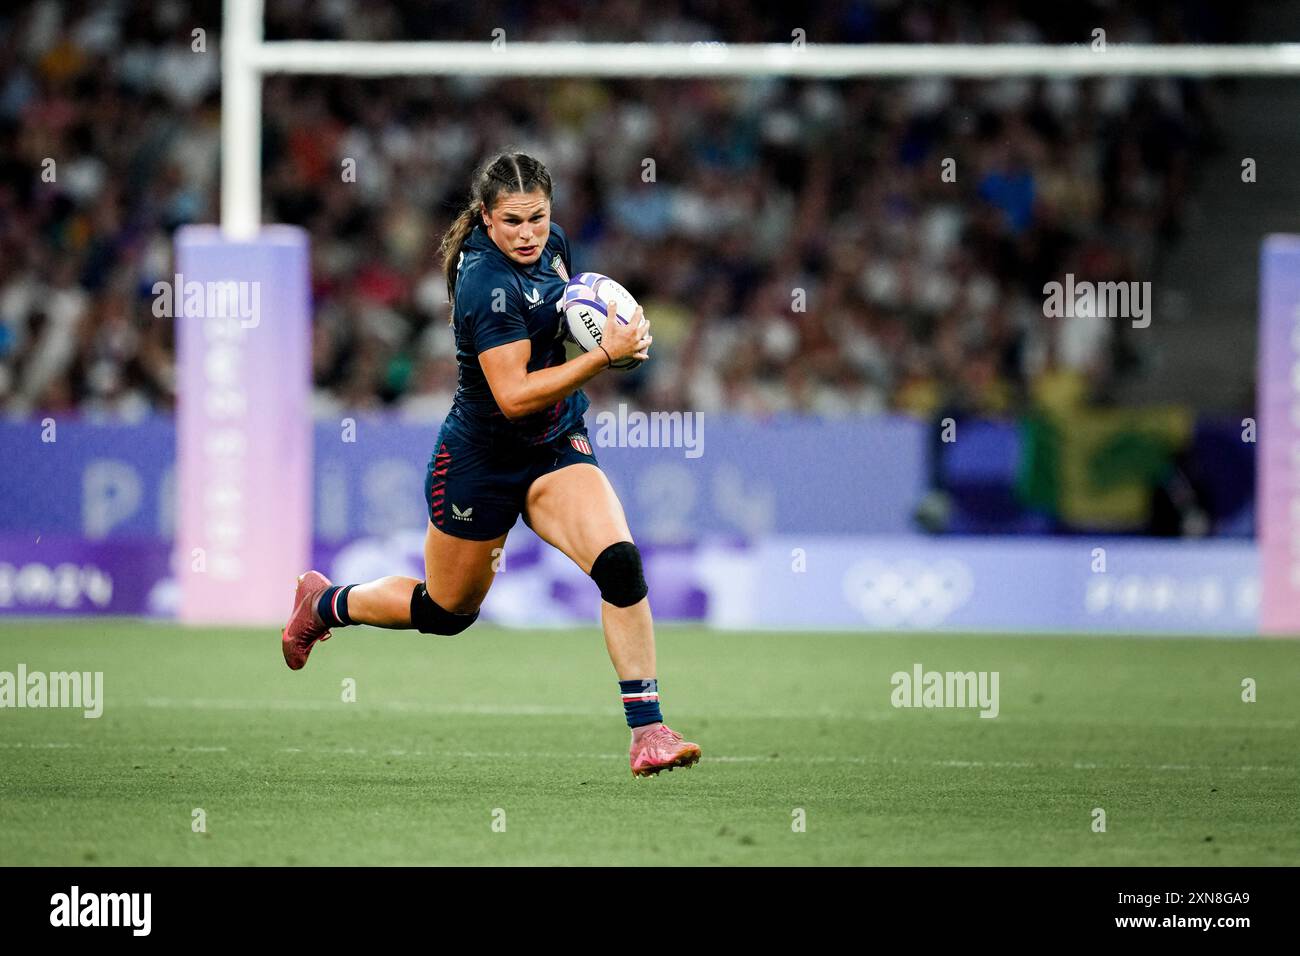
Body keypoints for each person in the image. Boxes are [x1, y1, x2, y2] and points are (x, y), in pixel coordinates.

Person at [280, 151, 700, 778]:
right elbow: (513, 395)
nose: (529, 233)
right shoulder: (484, 282)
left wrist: (607, 336)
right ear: (485, 216)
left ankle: (649, 732)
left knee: (620, 564)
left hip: (554, 443)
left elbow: (559, 321)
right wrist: (603, 356)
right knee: (445, 612)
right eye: (512, 221)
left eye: (538, 217)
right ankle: (324, 604)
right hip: (480, 461)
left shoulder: (553, 246)